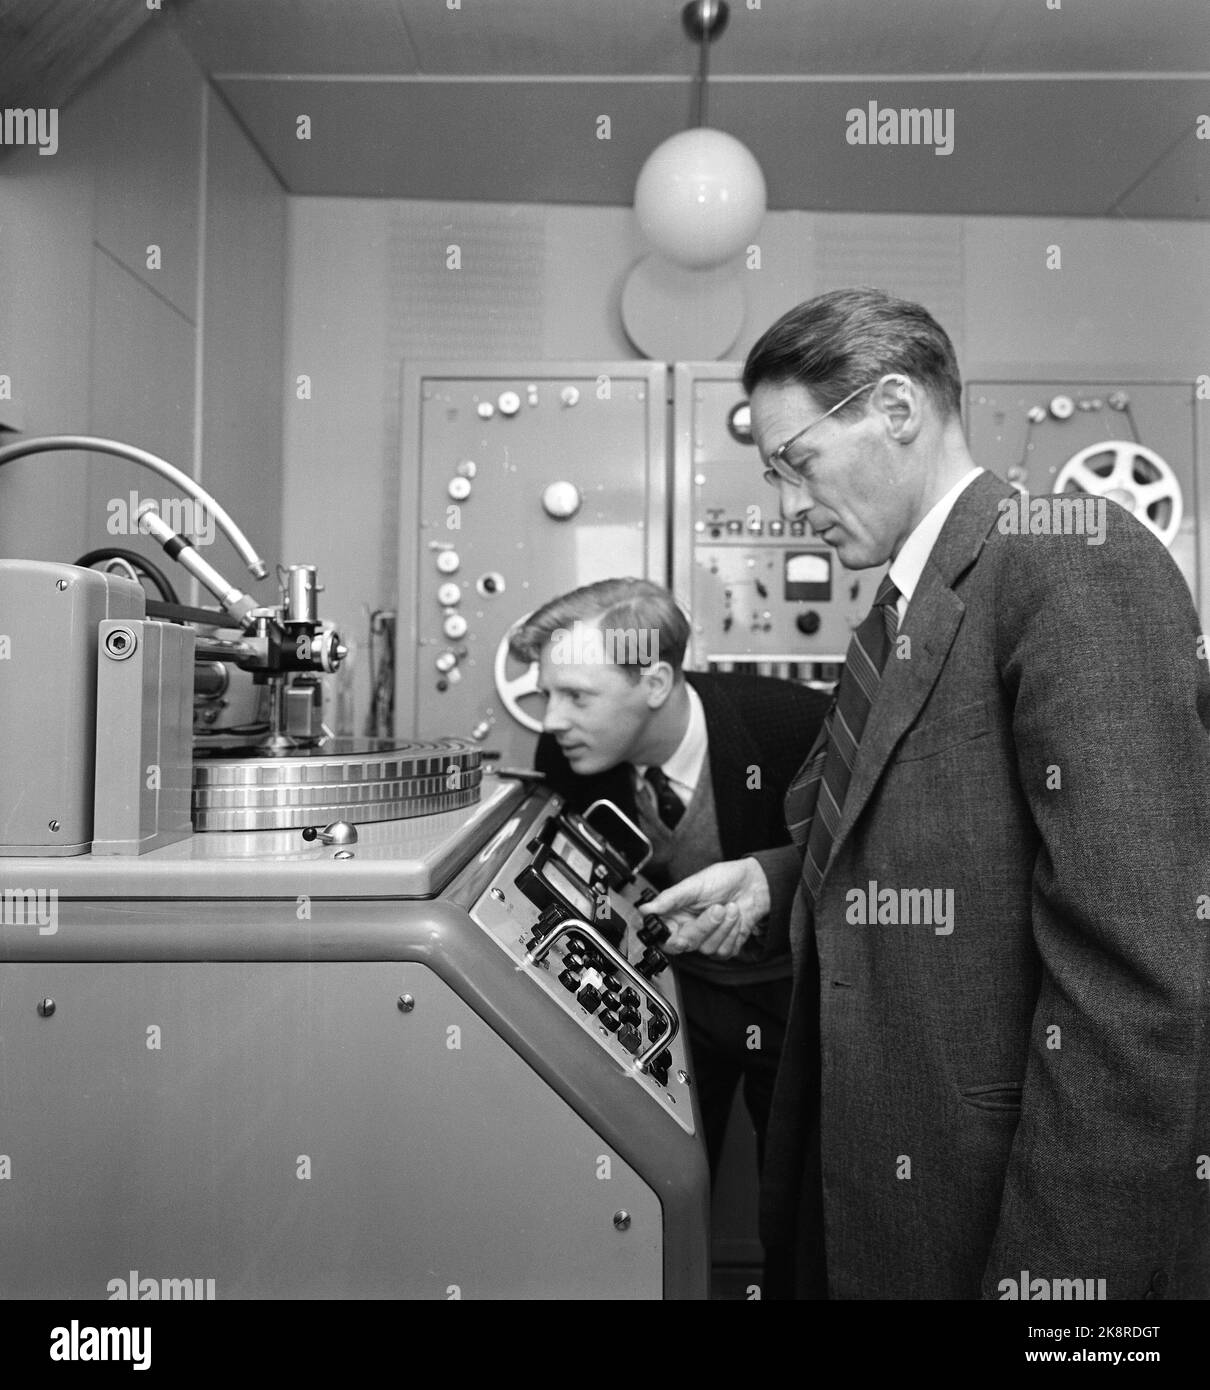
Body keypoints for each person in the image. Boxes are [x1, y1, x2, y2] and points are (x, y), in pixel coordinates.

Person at [641, 287, 1210, 1300]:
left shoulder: (1070, 561)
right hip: (862, 1179)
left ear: (895, 408)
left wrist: (1059, 1299)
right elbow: (938, 832)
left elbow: (1139, 977)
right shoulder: (905, 604)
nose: (788, 506)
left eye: (796, 462)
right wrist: (775, 881)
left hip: (988, 1208)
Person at [510, 579, 829, 1194]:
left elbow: (860, 854)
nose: (552, 721)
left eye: (576, 695)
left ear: (655, 683)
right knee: (661, 1182)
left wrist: (772, 883)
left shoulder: (795, 726)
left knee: (800, 1193)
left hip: (794, 998)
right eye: (548, 693)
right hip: (672, 998)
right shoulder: (565, 757)